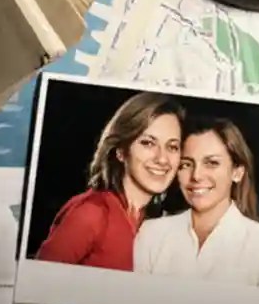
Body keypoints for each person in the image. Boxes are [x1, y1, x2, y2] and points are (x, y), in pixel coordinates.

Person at [33, 91, 185, 271]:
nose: (162, 159)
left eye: (172, 147)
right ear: (121, 151)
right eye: (148, 143)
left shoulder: (158, 224)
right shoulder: (92, 212)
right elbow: (37, 280)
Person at [133, 115, 259, 287]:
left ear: (237, 172)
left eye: (211, 163)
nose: (196, 176)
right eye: (186, 164)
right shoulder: (152, 234)